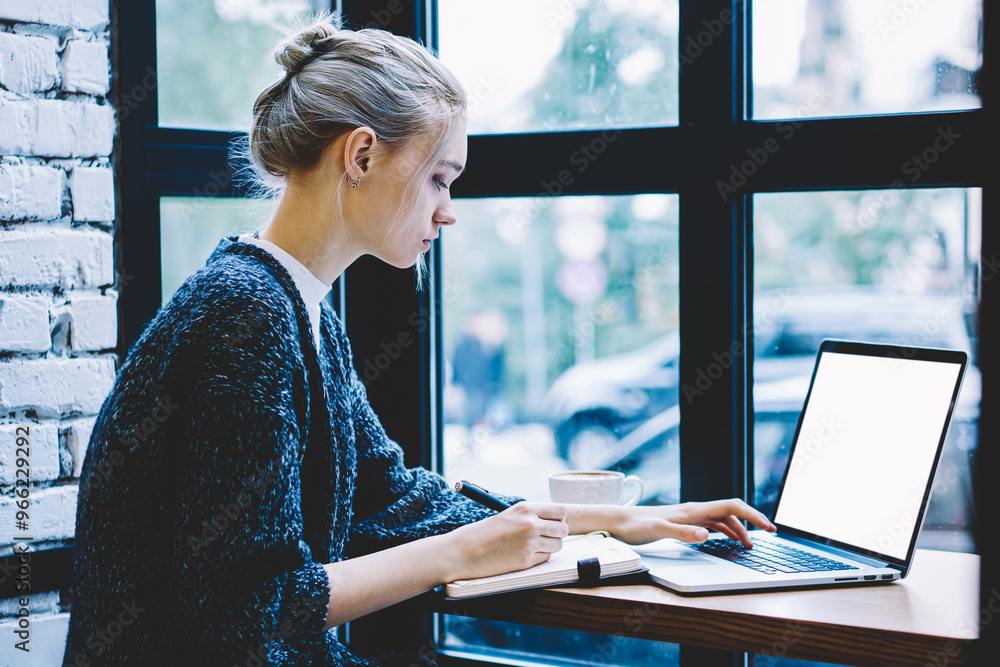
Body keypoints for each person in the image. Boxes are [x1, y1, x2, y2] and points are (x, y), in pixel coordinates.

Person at [62, 13, 775, 666]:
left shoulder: (294, 309)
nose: (449, 211)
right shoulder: (246, 319)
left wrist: (618, 519)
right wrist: (456, 552)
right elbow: (253, 609)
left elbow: (394, 498)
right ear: (362, 155)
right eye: (439, 178)